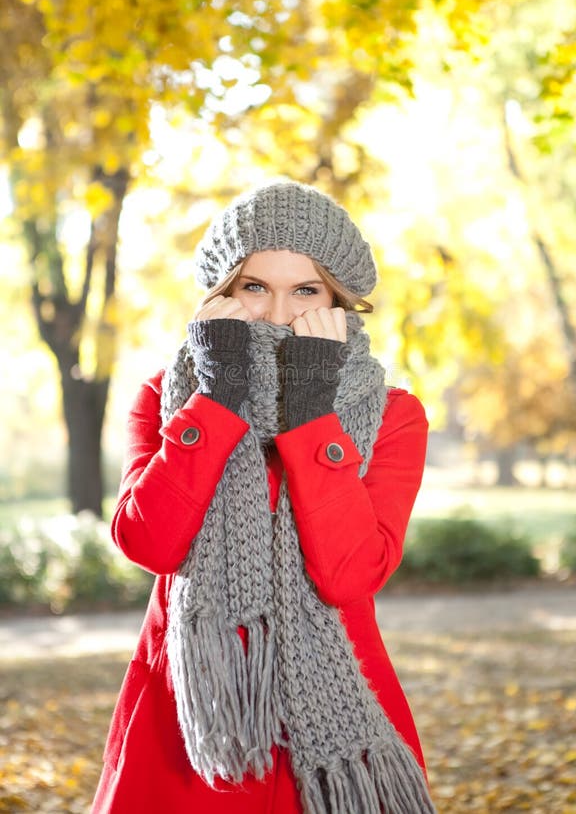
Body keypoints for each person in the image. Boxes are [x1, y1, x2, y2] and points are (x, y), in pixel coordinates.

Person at [92, 181, 435, 814]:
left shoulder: (392, 415)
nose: (278, 315)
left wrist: (310, 412)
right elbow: (149, 541)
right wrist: (217, 400)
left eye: (305, 290)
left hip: (335, 724)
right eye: (256, 287)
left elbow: (350, 574)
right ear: (224, 292)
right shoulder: (169, 396)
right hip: (193, 723)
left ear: (337, 298)